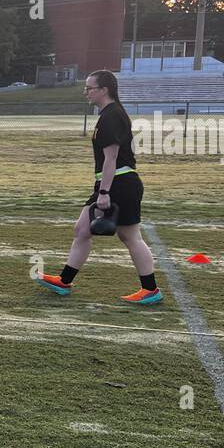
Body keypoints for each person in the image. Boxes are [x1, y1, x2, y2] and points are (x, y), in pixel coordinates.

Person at [36, 69, 161, 305]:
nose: (86, 92)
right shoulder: (108, 114)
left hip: (119, 184)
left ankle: (150, 289)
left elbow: (111, 158)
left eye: (89, 88)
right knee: (82, 230)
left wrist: (104, 192)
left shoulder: (112, 115)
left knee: (130, 236)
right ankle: (64, 281)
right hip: (112, 182)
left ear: (104, 90)